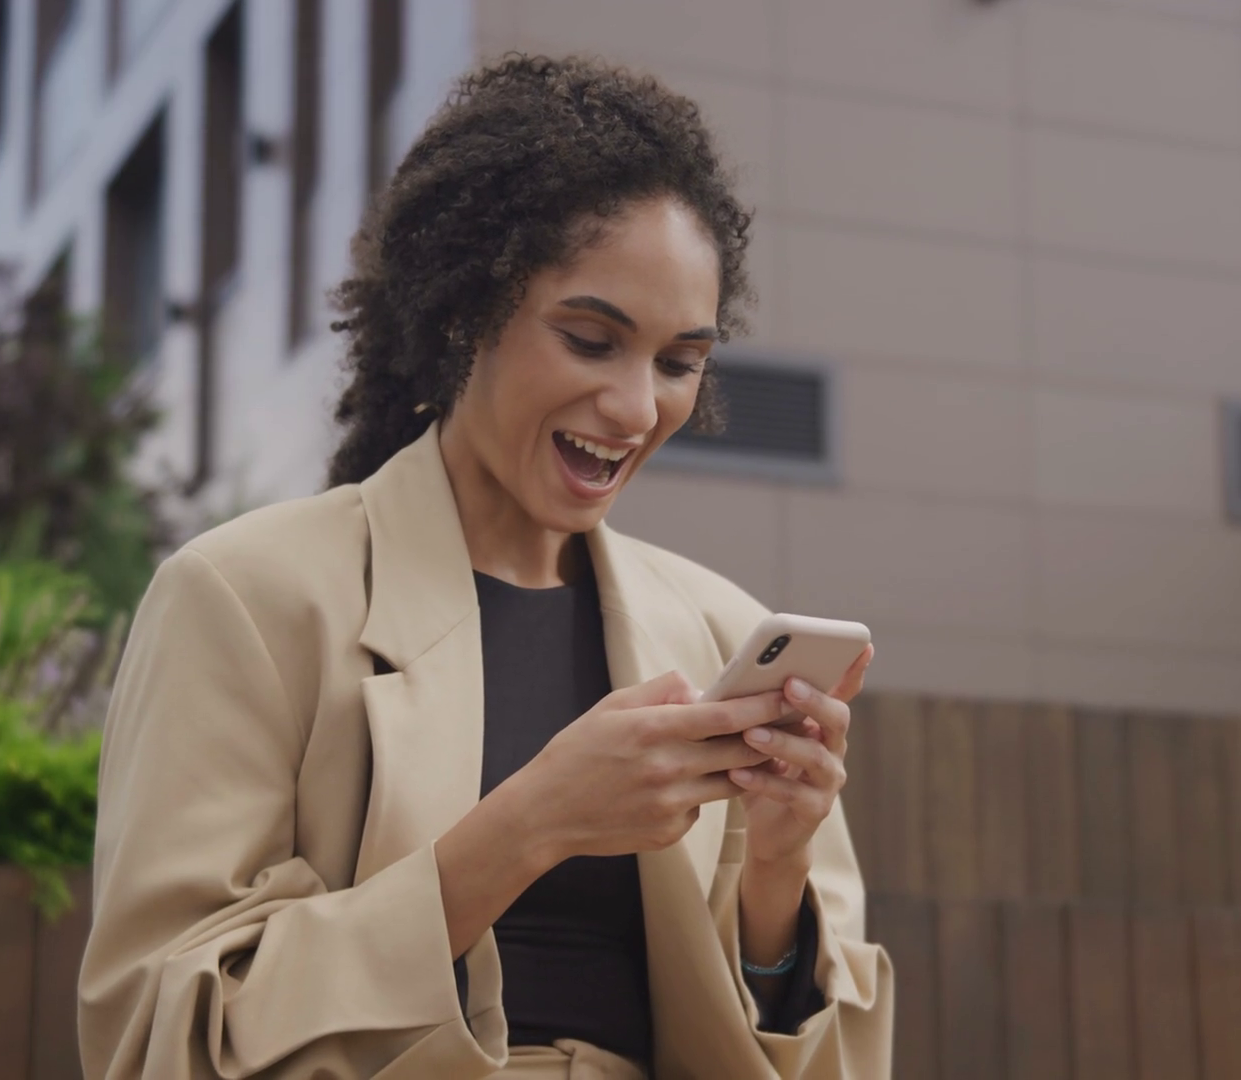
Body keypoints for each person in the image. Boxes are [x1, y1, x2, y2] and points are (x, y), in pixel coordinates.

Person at [78, 54, 893, 1079]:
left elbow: (835, 1063)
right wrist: (528, 826)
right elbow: (159, 1032)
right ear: (466, 312)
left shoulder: (721, 630)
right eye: (590, 340)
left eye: (679, 363)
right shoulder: (245, 598)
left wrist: (776, 875)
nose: (637, 407)